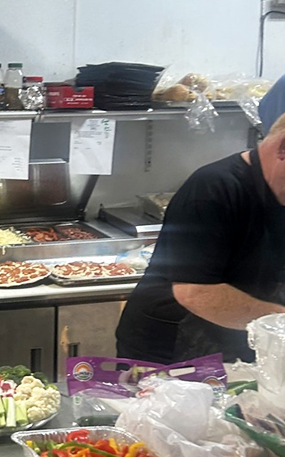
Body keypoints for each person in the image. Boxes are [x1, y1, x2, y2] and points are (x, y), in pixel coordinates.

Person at [116, 114, 285, 364]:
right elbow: (196, 292)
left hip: (239, 343)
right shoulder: (213, 190)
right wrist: (279, 321)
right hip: (170, 350)